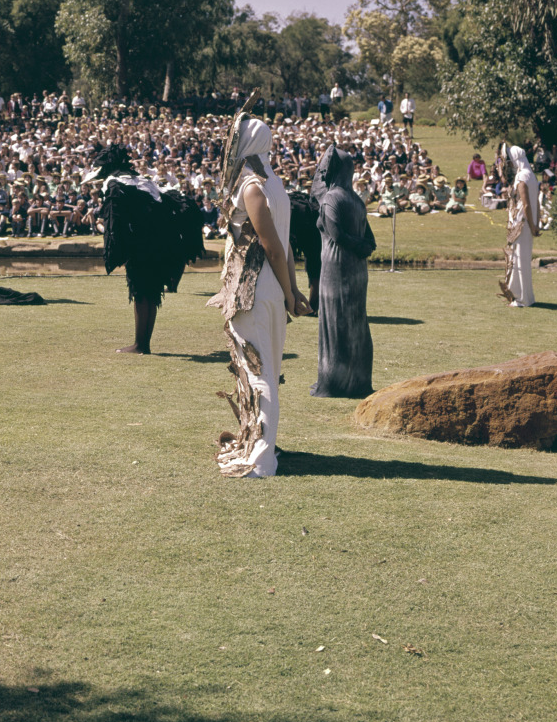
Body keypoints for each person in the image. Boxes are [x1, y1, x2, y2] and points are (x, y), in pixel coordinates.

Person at [211, 103, 309, 478]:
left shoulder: (251, 187)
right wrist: (292, 291)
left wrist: (289, 292)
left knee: (258, 374)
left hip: (253, 292)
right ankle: (258, 441)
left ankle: (260, 460)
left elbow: (272, 247)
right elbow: (284, 246)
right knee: (267, 372)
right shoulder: (276, 184)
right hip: (273, 291)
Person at [84, 143, 207, 354]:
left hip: (141, 246)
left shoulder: (114, 184)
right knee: (151, 292)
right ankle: (143, 344)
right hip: (161, 243)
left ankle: (140, 345)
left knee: (141, 292)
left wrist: (114, 243)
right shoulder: (144, 181)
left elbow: (116, 221)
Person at [310, 147, 376, 398]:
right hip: (358, 269)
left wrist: (358, 245)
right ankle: (357, 379)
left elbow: (336, 235)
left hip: (336, 267)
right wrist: (364, 247)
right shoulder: (356, 199)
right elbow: (369, 238)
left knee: (335, 322)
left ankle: (334, 382)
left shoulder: (332, 198)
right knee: (355, 322)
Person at [498, 144, 539, 307]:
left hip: (521, 225)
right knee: (522, 259)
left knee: (519, 260)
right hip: (527, 224)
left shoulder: (522, 177)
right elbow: (536, 203)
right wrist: (536, 224)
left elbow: (526, 204)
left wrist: (532, 225)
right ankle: (523, 296)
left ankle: (522, 298)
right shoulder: (532, 176)